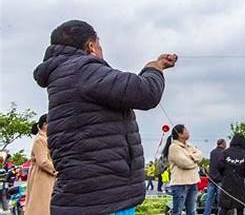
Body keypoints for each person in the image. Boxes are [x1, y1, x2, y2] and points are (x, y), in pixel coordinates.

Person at [33, 20, 175, 215]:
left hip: (88, 194)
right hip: (103, 197)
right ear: (91, 45)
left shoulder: (65, 75)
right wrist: (154, 68)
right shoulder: (83, 70)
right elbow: (146, 93)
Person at [164, 124, 203, 215]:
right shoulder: (174, 147)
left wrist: (191, 157)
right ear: (180, 134)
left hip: (193, 182)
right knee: (177, 211)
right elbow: (185, 163)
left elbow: (200, 154)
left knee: (192, 211)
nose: (188, 132)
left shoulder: (189, 145)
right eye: (186, 130)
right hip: (180, 184)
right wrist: (195, 161)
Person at [24, 114, 57, 215]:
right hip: (42, 177)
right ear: (45, 124)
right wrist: (58, 170)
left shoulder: (46, 139)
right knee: (40, 206)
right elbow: (43, 161)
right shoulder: (40, 140)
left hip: (47, 176)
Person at [217, 134, 245, 215]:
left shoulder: (225, 152)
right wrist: (242, 174)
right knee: (239, 207)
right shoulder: (244, 154)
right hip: (239, 183)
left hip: (227, 182)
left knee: (224, 207)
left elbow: (219, 165)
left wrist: (224, 174)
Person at [204, 139, 227, 215]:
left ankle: (206, 213)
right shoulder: (224, 153)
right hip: (220, 179)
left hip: (211, 179)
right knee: (220, 200)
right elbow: (221, 165)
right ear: (223, 144)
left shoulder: (212, 152)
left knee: (209, 199)